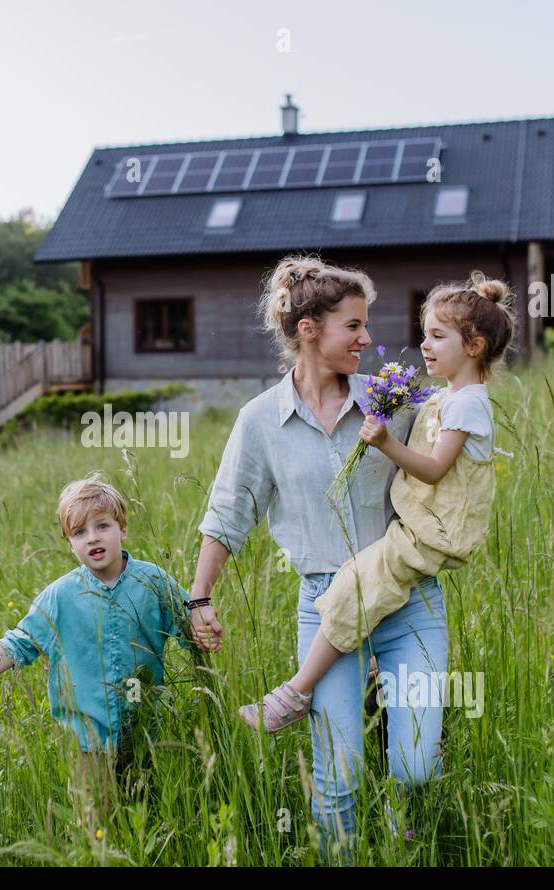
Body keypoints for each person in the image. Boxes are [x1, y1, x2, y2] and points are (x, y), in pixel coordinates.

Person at [189, 254, 443, 857]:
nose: (367, 338)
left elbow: (448, 453)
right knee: (338, 775)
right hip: (327, 608)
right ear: (308, 330)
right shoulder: (260, 422)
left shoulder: (393, 402)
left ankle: (406, 845)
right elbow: (228, 514)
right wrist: (199, 597)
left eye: (366, 324)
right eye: (353, 326)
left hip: (408, 598)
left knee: (417, 764)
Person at [240, 272, 516, 733]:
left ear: (473, 346)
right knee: (362, 585)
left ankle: (294, 694)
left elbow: (433, 469)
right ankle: (369, 675)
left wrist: (385, 441)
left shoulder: (466, 405)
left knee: (354, 586)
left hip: (431, 532)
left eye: (437, 336)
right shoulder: (452, 397)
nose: (424, 345)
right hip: (421, 527)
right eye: (424, 334)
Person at [0, 473, 202, 827]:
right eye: (79, 533)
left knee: (148, 819)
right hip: (87, 741)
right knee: (98, 828)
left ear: (122, 529)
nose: (92, 538)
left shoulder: (152, 582)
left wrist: (204, 630)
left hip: (148, 733)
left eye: (102, 526)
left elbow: (191, 627)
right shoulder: (59, 597)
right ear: (69, 544)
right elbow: (18, 644)